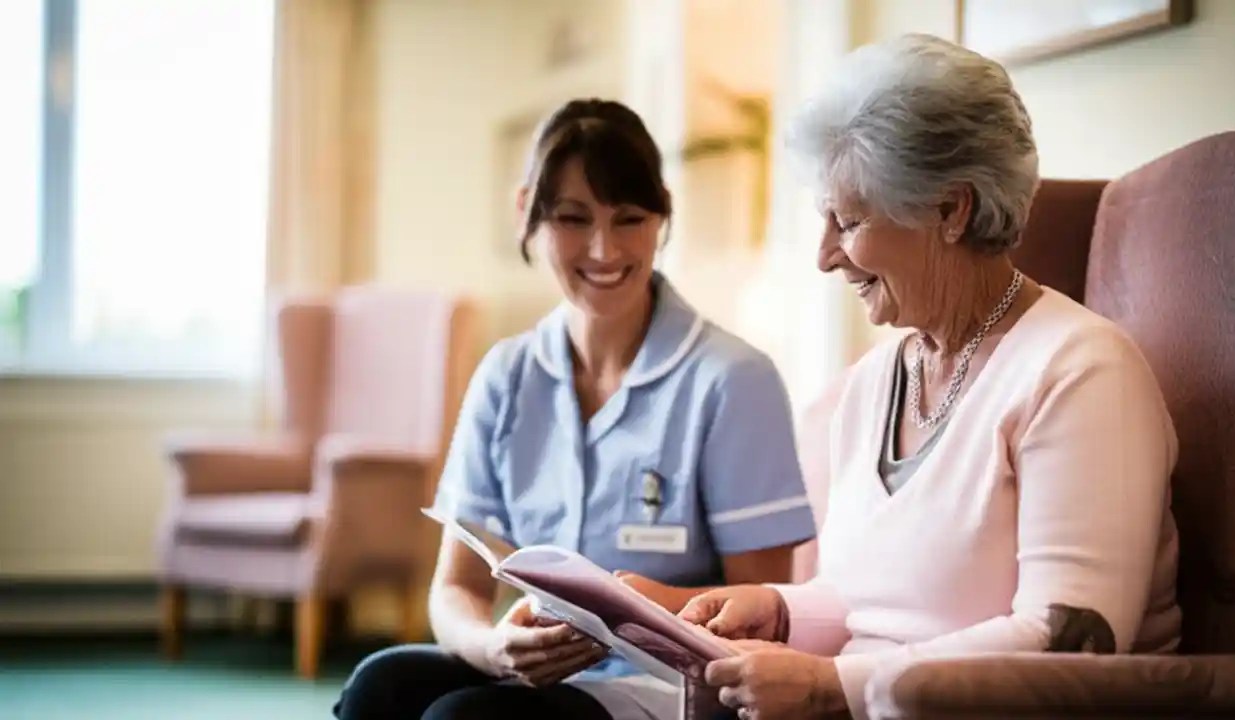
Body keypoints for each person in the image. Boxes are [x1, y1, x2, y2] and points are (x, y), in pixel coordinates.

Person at [671, 34, 1181, 720]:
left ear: (951, 210)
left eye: (848, 221)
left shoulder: (1082, 372)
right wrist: (779, 612)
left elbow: (1075, 640)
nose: (825, 256)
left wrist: (831, 688)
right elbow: (872, 604)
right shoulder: (874, 381)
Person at [332, 98, 817, 720]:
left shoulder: (732, 380)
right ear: (525, 212)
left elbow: (768, 609)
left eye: (630, 218)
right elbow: (455, 587)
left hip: (666, 692)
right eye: (572, 218)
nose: (603, 249)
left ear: (662, 213)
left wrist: (643, 603)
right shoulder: (506, 375)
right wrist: (494, 647)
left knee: (460, 718)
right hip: (533, 679)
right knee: (380, 685)